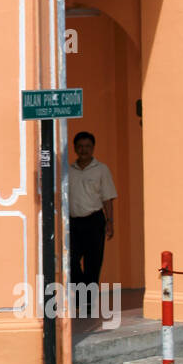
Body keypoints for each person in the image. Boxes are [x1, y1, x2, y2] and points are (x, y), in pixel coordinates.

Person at [68, 131, 117, 318]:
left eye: (87, 146)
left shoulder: (101, 169)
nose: (84, 150)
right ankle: (82, 295)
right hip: (73, 222)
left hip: (94, 221)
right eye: (80, 146)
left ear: (93, 148)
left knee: (93, 264)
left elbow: (108, 197)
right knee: (71, 262)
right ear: (75, 148)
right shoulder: (68, 170)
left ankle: (89, 302)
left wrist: (110, 222)